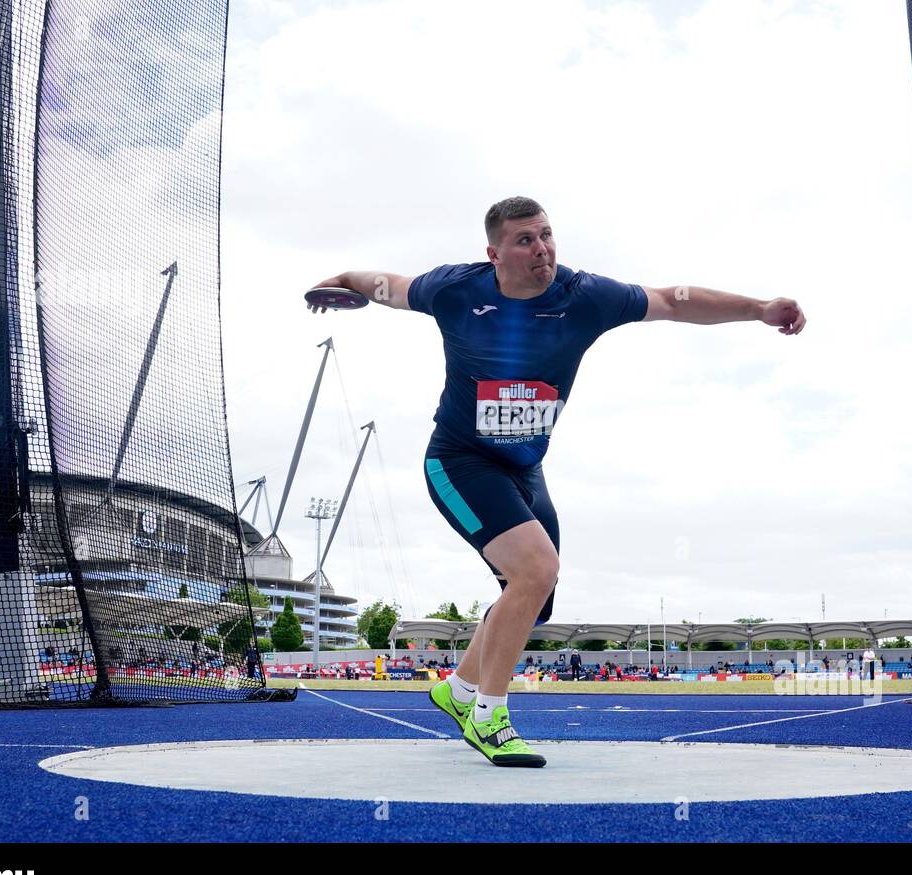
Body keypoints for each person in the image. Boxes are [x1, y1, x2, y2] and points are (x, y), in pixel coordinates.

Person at [310, 196, 805, 767]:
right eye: (525, 240)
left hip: (525, 469)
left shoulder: (585, 296)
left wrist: (761, 308)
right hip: (459, 461)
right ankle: (489, 717)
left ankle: (459, 690)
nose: (541, 249)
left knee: (534, 599)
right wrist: (345, 279)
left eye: (546, 235)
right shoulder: (455, 290)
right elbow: (390, 286)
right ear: (494, 253)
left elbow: (673, 300)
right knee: (536, 570)